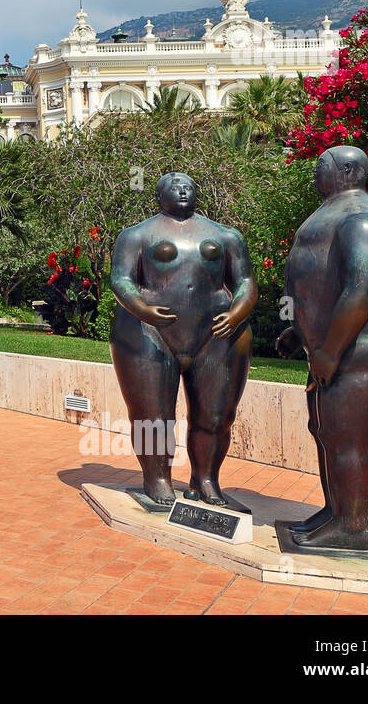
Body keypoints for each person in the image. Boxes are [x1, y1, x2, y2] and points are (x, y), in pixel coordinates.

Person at [277, 145, 368, 550]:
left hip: (361, 353)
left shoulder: (363, 220)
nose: (314, 171)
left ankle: (353, 526)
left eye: (322, 164)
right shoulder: (336, 213)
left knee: (347, 440)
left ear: (348, 170)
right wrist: (300, 334)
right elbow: (322, 284)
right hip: (332, 354)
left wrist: (331, 351)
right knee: (326, 433)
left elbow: (361, 289)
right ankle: (336, 510)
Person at [109, 172, 257, 508]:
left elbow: (245, 281)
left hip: (216, 332)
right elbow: (121, 280)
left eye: (189, 185)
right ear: (159, 195)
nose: (183, 189)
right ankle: (156, 477)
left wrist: (235, 315)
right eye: (174, 186)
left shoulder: (225, 235)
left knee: (217, 416)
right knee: (152, 415)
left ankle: (205, 479)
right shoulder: (136, 235)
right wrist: (142, 309)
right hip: (149, 332)